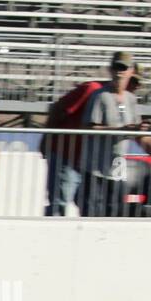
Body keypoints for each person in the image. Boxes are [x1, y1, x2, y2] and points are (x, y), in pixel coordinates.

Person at [81, 53, 151, 217]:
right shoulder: (100, 96)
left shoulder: (131, 100)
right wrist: (121, 129)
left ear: (130, 71)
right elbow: (89, 128)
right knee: (91, 218)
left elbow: (140, 137)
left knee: (115, 218)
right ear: (110, 70)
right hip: (95, 172)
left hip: (116, 172)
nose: (119, 72)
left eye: (123, 68)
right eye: (116, 67)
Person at [41, 78, 104, 216]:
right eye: (133, 82)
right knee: (59, 206)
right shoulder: (92, 88)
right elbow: (58, 108)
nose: (135, 86)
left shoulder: (125, 99)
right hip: (66, 154)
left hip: (88, 164)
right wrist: (47, 138)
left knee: (90, 208)